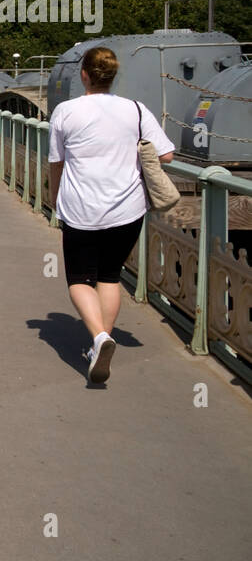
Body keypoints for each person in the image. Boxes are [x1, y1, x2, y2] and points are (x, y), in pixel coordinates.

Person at [48, 47, 174, 384]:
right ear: (112, 76)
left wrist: (54, 197)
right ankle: (100, 339)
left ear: (84, 75)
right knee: (109, 276)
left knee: (78, 280)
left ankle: (100, 339)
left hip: (80, 209)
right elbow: (167, 154)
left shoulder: (65, 111)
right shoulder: (135, 109)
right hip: (127, 210)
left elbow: (56, 162)